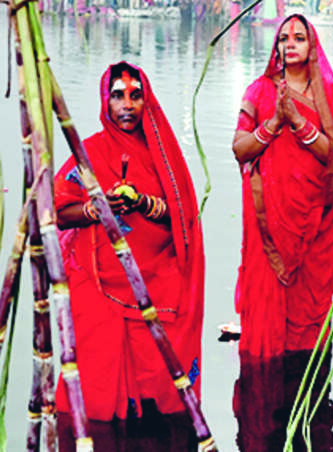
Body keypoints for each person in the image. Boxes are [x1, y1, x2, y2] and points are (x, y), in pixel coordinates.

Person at [52, 62, 205, 446]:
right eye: (118, 96)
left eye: (135, 95)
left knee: (158, 403)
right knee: (96, 408)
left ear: (146, 100)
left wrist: (142, 203)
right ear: (105, 102)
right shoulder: (88, 154)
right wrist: (96, 208)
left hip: (156, 287)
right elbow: (57, 211)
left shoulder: (163, 156)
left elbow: (183, 216)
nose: (127, 105)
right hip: (99, 284)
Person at [231, 14, 333, 450]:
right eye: (284, 37)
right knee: (265, 330)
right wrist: (273, 123)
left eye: (300, 37)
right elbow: (240, 148)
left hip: (313, 225)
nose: (291, 44)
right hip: (267, 224)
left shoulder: (330, 95)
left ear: (312, 45)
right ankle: (262, 420)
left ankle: (307, 416)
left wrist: (297, 121)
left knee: (307, 326)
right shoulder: (259, 91)